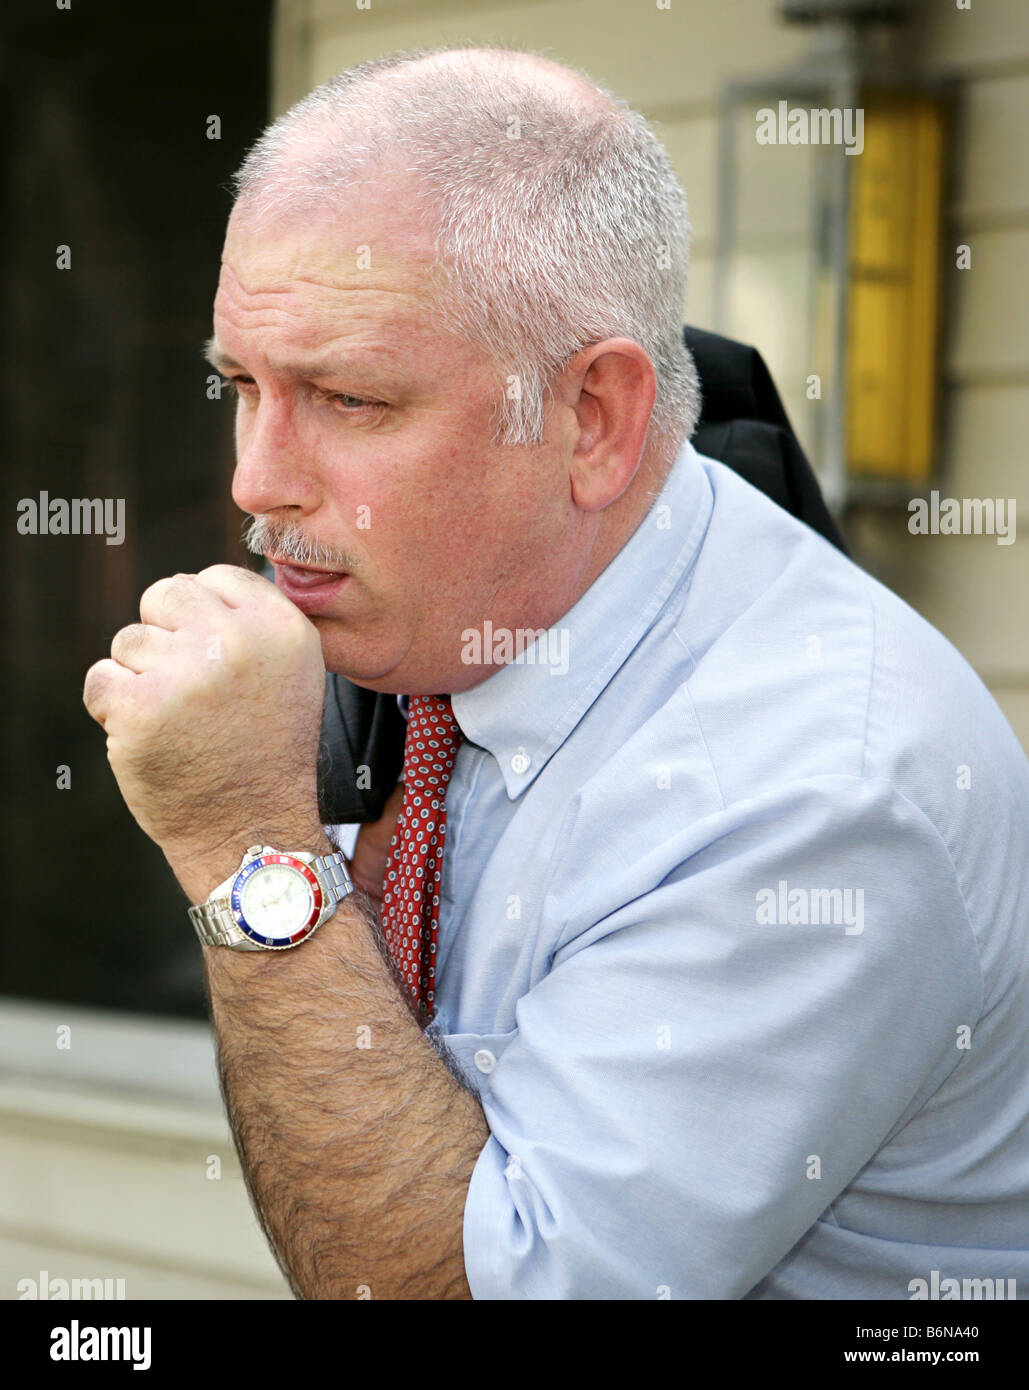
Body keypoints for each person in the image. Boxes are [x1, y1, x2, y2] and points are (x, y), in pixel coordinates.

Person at [83, 45, 1029, 1300]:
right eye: (243, 384)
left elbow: (463, 1287)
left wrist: (249, 848)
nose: (257, 481)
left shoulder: (815, 791)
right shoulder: (442, 611)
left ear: (591, 418)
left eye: (349, 398)